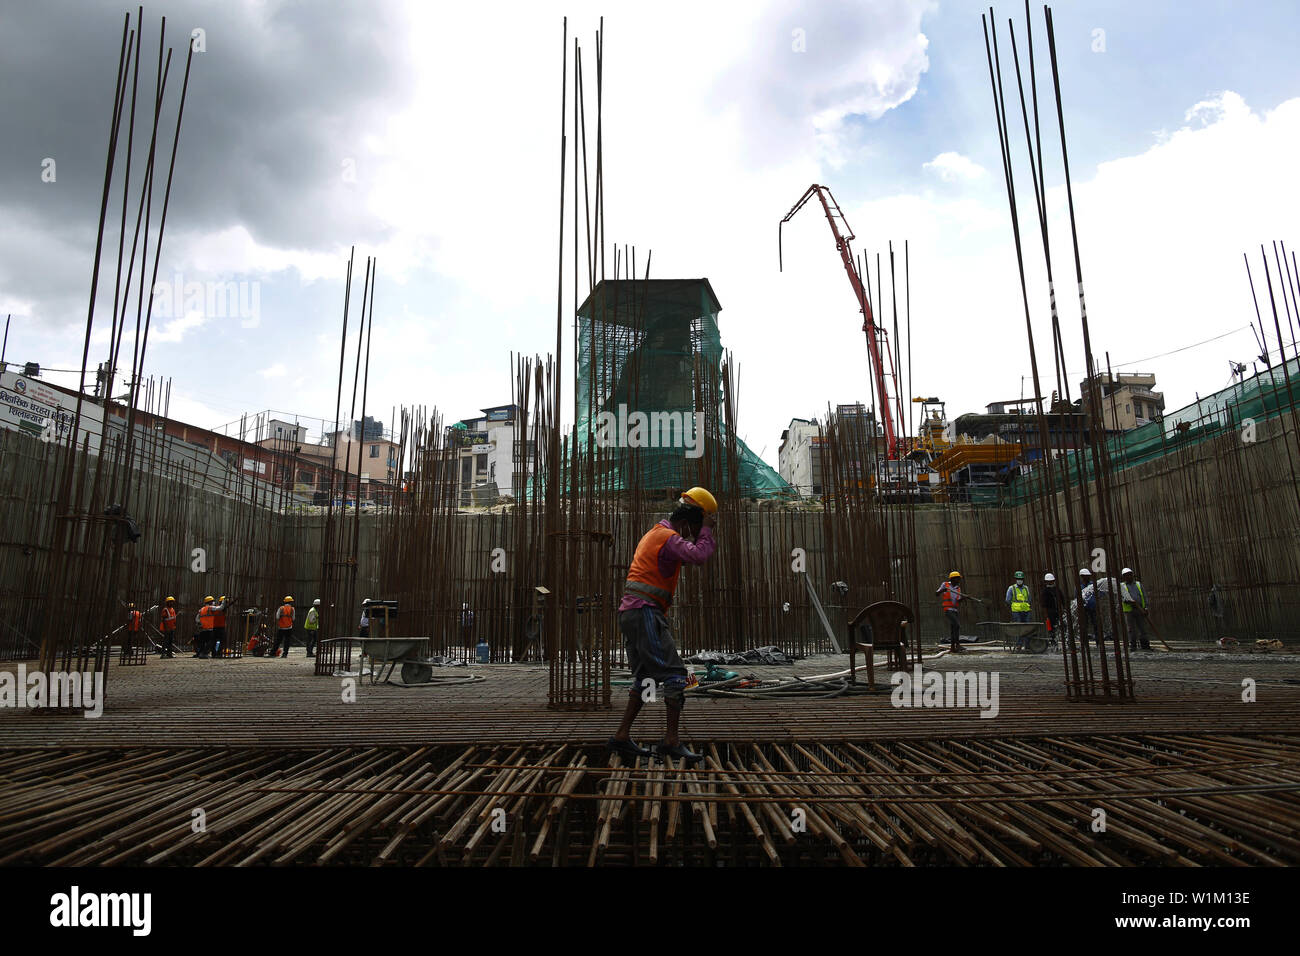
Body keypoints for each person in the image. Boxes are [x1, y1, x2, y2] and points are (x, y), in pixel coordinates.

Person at [609, 487, 718, 763]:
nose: (691, 536)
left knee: (645, 676)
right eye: (693, 530)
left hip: (632, 613)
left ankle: (622, 736)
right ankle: (671, 741)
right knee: (675, 674)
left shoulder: (654, 534)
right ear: (686, 523)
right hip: (645, 612)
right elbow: (699, 556)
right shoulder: (669, 538)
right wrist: (706, 530)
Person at [936, 571, 973, 653]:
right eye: (958, 579)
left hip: (955, 610)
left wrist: (965, 597)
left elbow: (958, 600)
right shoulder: (945, 584)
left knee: (953, 628)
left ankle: (953, 647)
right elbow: (936, 593)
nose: (959, 580)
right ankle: (957, 645)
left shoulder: (958, 588)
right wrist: (942, 590)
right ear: (953, 579)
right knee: (957, 625)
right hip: (948, 609)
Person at [1120, 567, 1152, 650]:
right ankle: (1133, 645)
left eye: (1130, 575)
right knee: (1131, 629)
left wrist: (1146, 608)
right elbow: (1121, 598)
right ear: (1124, 577)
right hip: (1129, 611)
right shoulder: (1122, 586)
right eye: (1126, 575)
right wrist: (1128, 601)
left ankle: (1145, 645)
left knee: (1142, 628)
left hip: (1140, 609)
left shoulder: (1138, 584)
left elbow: (1144, 596)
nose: (1129, 577)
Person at [1005, 570, 1032, 650]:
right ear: (1016, 579)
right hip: (1016, 612)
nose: (1019, 580)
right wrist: (1014, 606)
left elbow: (1029, 599)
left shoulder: (1026, 588)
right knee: (1019, 628)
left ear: (1023, 579)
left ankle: (1027, 645)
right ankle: (1019, 645)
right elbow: (1008, 600)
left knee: (1027, 628)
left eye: (1021, 579)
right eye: (1018, 579)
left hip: (1026, 611)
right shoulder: (1011, 588)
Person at [1078, 569, 1097, 648]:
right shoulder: (1079, 586)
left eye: (1088, 576)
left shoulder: (1093, 584)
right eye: (1086, 576)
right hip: (1084, 609)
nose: (1088, 577)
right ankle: (1085, 643)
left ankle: (1098, 642)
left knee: (1096, 625)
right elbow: (1077, 597)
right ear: (1082, 577)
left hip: (1093, 607)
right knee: (1084, 626)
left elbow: (1099, 593)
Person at [1040, 574, 1061, 643]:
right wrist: (1046, 614)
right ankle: (1053, 641)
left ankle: (1061, 640)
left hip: (1058, 611)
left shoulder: (1057, 590)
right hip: (1050, 612)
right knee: (1051, 628)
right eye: (1048, 581)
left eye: (1051, 581)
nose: (1050, 583)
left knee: (1061, 626)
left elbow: (1062, 599)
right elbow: (1043, 604)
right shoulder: (1045, 591)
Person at [209, 595, 231, 660]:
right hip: (220, 627)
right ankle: (218, 653)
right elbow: (223, 607)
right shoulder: (220, 608)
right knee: (222, 641)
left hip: (215, 627)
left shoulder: (215, 608)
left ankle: (214, 654)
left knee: (214, 641)